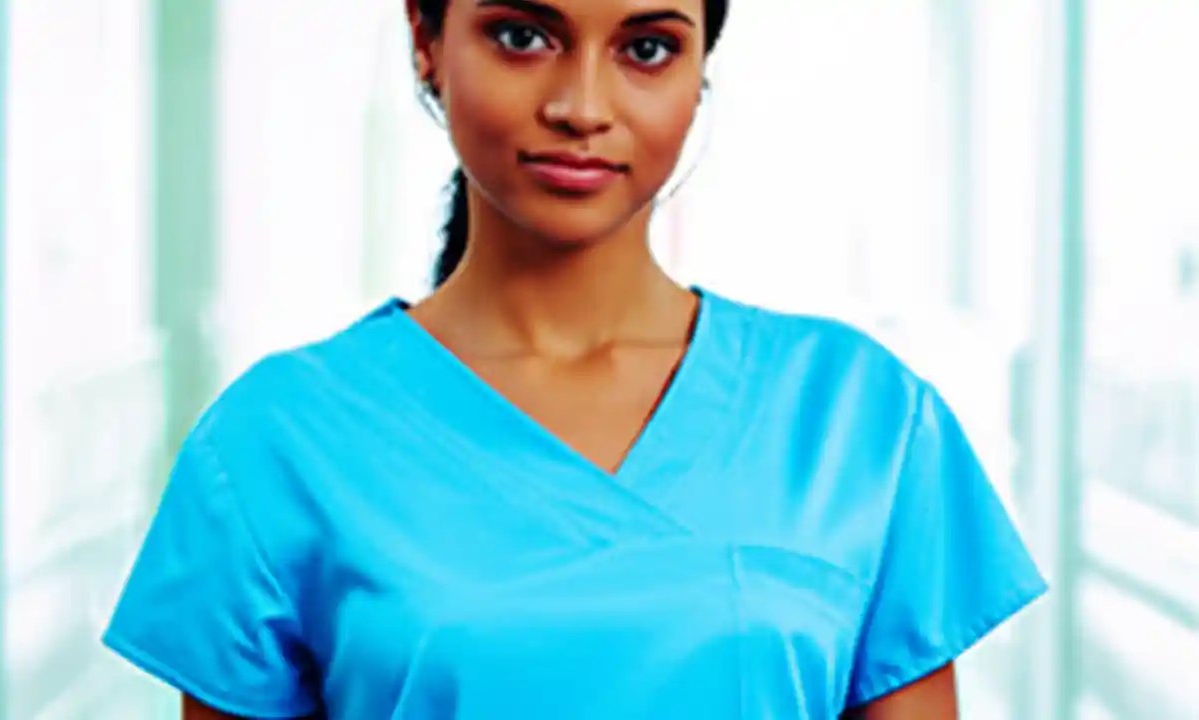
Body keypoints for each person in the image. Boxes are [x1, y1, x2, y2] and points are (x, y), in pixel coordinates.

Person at [102, 0, 1048, 718]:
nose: (581, 107)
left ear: (700, 65)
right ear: (425, 39)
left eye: (645, 48)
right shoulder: (277, 440)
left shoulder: (858, 419)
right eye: (523, 36)